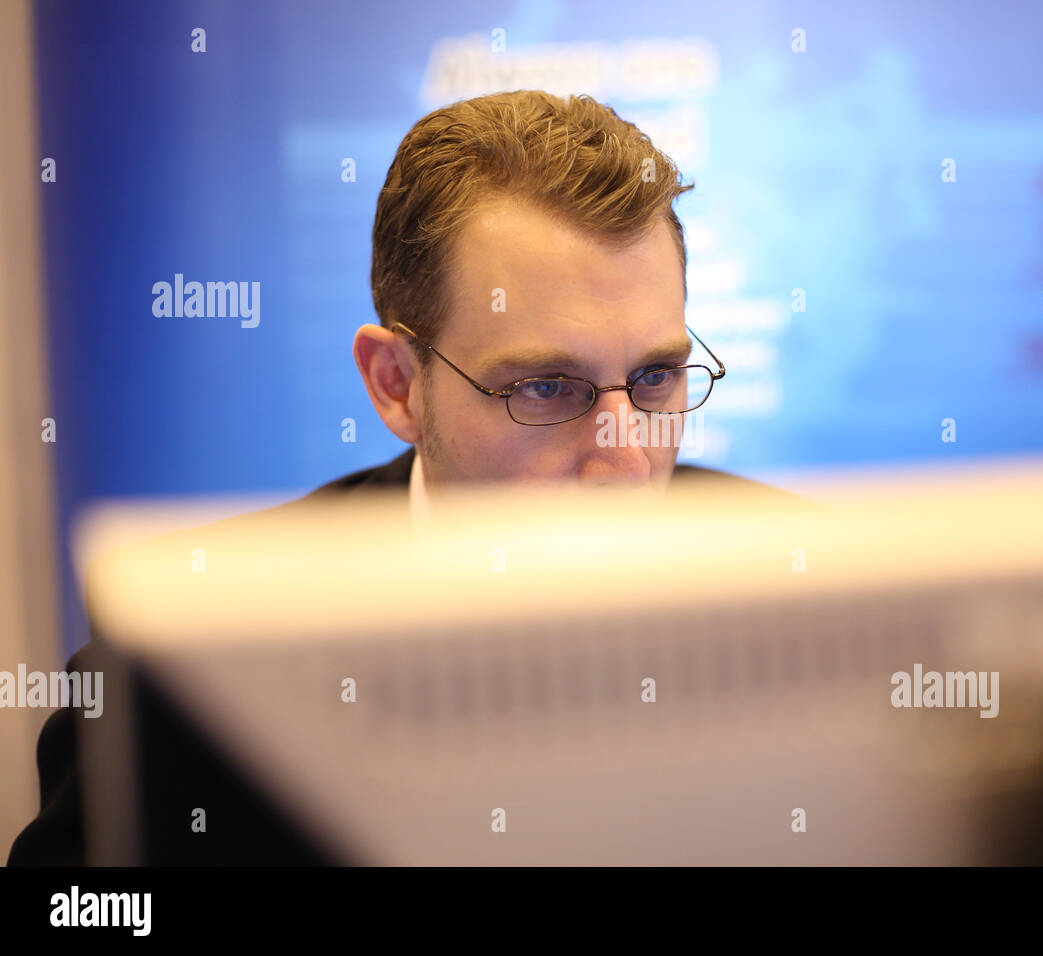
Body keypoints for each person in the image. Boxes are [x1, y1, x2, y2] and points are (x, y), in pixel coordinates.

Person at [8, 90, 800, 865]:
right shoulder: (184, 681)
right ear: (396, 384)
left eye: (657, 376)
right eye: (547, 389)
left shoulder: (812, 604)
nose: (625, 462)